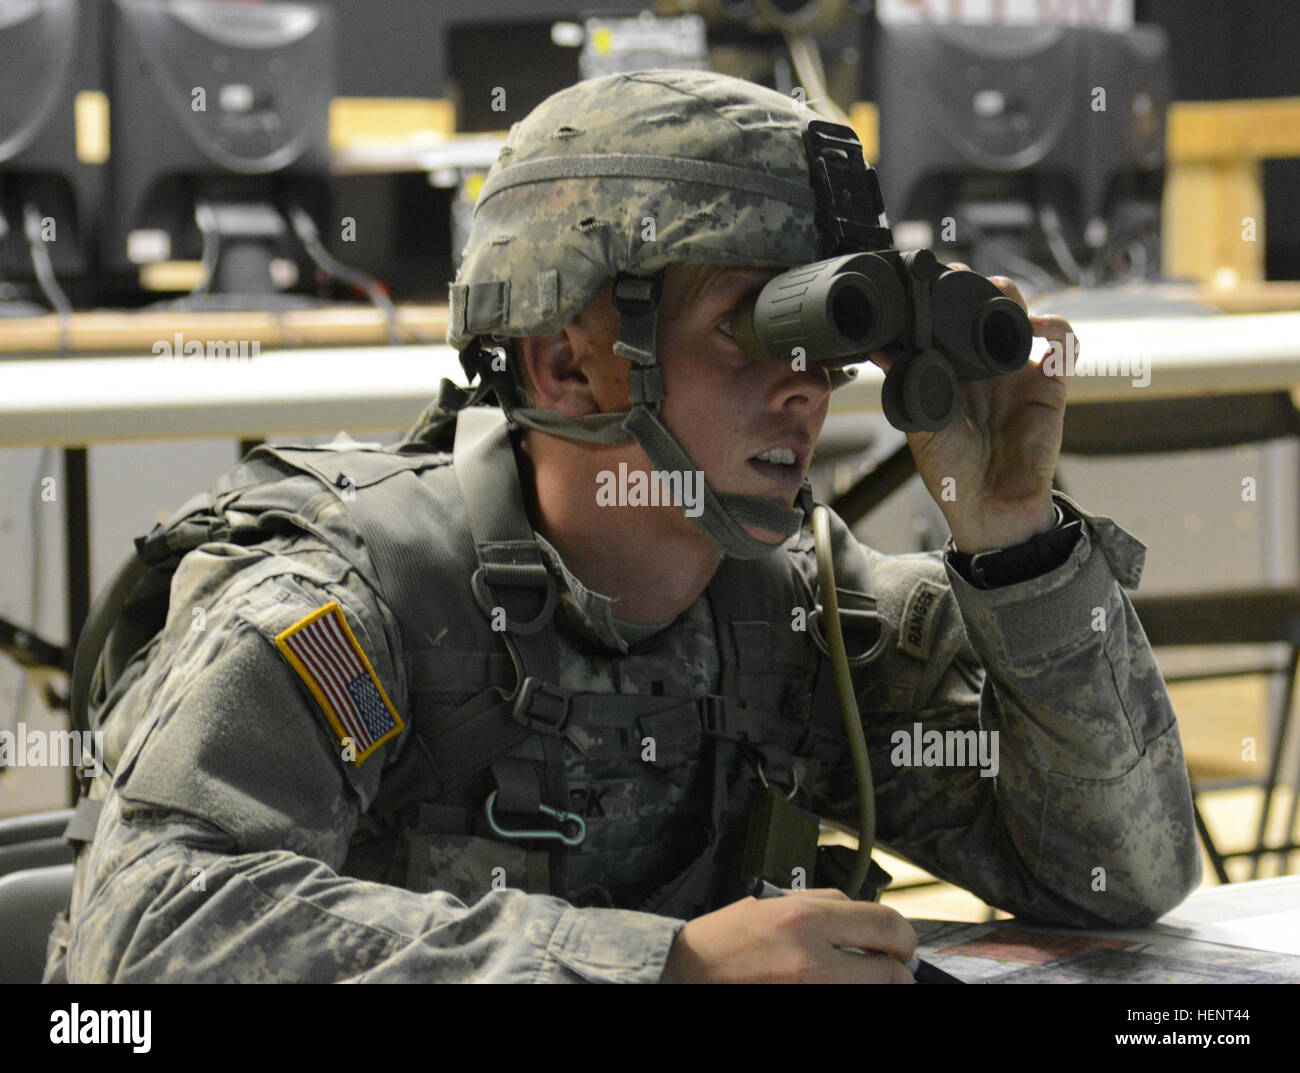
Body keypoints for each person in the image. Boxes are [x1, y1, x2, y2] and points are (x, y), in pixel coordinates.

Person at [46, 69, 1200, 985]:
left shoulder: (800, 613)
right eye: (753, 326)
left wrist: (1016, 543)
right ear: (566, 360)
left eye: (829, 335)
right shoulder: (347, 607)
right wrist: (665, 967)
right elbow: (137, 942)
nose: (807, 388)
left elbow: (1115, 874)